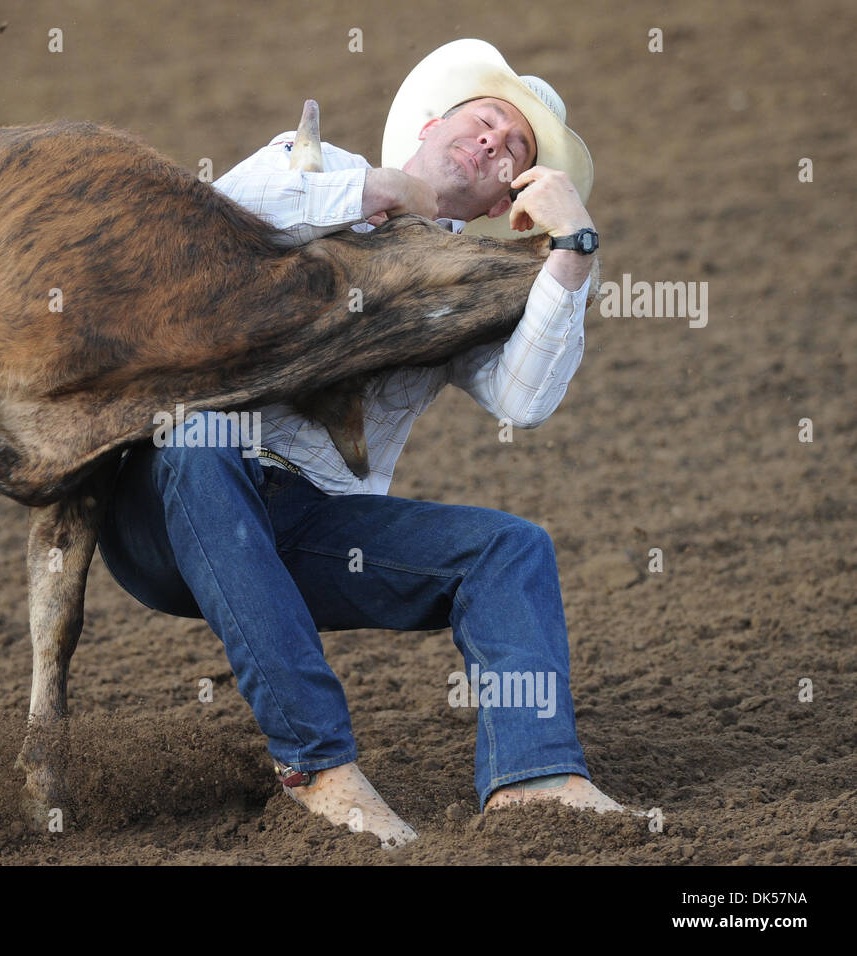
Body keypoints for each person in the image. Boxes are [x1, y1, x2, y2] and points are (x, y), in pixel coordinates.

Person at [97, 39, 637, 847]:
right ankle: (316, 763)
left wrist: (571, 252)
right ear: (428, 124)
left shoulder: (464, 279)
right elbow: (215, 222)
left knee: (509, 549)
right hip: (167, 501)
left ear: (505, 201)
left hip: (305, 523)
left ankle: (536, 779)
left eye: (515, 150)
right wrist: (384, 190)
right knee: (200, 432)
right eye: (486, 120)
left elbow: (524, 401)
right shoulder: (310, 164)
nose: (496, 140)